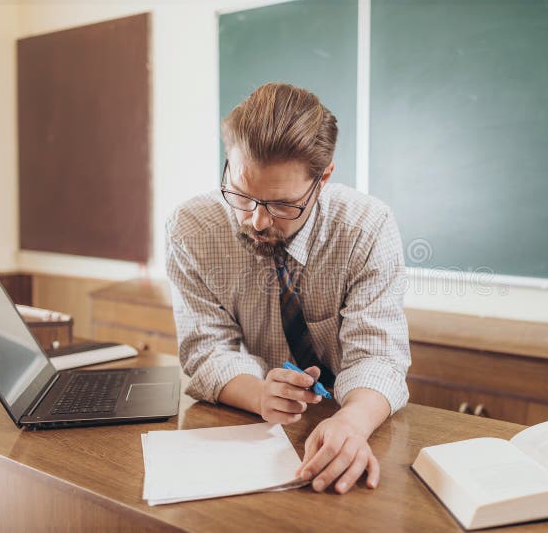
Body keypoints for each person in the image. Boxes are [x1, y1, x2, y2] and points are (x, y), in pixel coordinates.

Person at [165, 83, 411, 495]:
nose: (258, 220)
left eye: (281, 205)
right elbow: (206, 350)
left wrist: (351, 422)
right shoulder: (192, 228)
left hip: (355, 419)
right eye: (241, 195)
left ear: (324, 177)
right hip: (256, 433)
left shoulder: (367, 227)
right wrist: (259, 393)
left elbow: (379, 357)